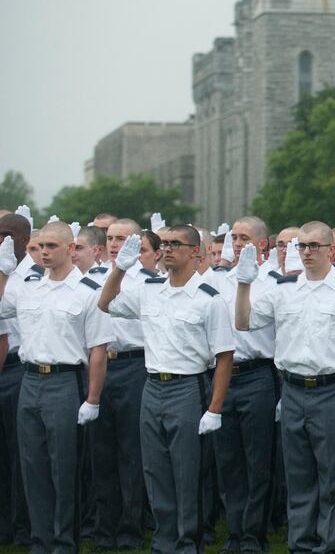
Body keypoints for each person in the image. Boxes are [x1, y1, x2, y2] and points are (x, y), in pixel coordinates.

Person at [234, 221, 335, 552]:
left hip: (329, 390)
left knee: (331, 479)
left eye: (314, 246)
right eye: (302, 246)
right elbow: (243, 322)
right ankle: (300, 545)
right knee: (298, 477)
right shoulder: (283, 289)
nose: (307, 252)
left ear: (331, 250)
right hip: (293, 390)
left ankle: (328, 546)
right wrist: (243, 284)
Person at [98, 224, 235, 552]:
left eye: (176, 243)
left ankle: (187, 543)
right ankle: (164, 541)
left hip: (187, 387)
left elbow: (224, 356)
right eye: (165, 243)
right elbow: (105, 302)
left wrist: (214, 408)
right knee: (155, 470)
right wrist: (120, 269)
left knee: (186, 472)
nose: (168, 249)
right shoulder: (150, 290)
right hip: (152, 386)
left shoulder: (209, 299)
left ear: (195, 252)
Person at [1, 224, 113, 553]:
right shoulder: (28, 287)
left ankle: (64, 542)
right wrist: (3, 272)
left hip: (65, 381)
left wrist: (92, 398)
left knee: (63, 468)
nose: (44, 252)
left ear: (70, 248)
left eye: (51, 245)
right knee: (32, 466)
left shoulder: (88, 291)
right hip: (30, 380)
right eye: (39, 246)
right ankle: (41, 541)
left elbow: (98, 350)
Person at [202, 216, 279, 553]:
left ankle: (253, 535)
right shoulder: (218, 280)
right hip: (223, 376)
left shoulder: (274, 282)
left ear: (262, 243)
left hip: (258, 373)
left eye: (244, 237)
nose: (236, 243)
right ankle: (235, 533)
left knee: (258, 460)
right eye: (234, 237)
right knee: (228, 459)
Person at [89, 219, 156, 550]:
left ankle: (130, 529)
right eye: (110, 238)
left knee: (131, 452)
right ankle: (104, 529)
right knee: (101, 451)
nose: (114, 244)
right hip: (101, 365)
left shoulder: (149, 281)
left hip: (133, 365)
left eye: (121, 238)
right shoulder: (94, 277)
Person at [0, 214, 32, 546]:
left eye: (8, 235)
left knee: (20, 452)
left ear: (25, 239)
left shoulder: (32, 276)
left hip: (19, 368)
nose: (1, 241)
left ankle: (23, 527)